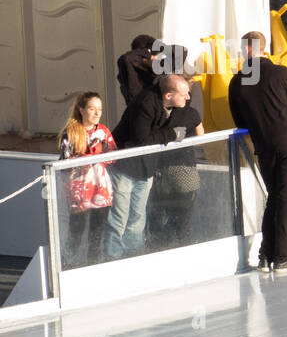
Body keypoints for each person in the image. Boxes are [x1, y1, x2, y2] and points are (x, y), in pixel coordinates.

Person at [228, 30, 287, 274]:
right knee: (285, 200)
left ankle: (265, 255)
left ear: (247, 50)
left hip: (263, 146)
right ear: (262, 48)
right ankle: (281, 257)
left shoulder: (236, 82)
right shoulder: (280, 72)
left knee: (274, 198)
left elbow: (240, 121)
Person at [105, 73, 194, 259]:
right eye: (184, 93)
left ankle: (134, 254)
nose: (188, 97)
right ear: (168, 96)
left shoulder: (176, 106)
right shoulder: (145, 103)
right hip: (125, 166)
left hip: (146, 168)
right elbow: (141, 140)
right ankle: (112, 256)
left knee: (138, 216)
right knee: (120, 216)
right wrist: (171, 134)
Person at [57, 92, 117, 267]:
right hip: (79, 188)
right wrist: (87, 156)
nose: (97, 113)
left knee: (97, 231)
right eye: (92, 108)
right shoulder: (71, 132)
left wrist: (102, 153)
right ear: (82, 110)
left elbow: (114, 154)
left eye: (99, 109)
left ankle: (94, 264)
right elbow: (65, 160)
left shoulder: (103, 131)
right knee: (76, 230)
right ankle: (69, 265)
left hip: (100, 186)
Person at [150, 88, 205, 250]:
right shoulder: (192, 114)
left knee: (162, 215)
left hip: (161, 170)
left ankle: (162, 248)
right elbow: (199, 140)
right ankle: (183, 248)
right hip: (185, 171)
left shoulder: (159, 114)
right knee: (183, 219)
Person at [115, 34, 161, 106]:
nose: (155, 58)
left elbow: (182, 52)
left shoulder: (157, 72)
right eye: (153, 55)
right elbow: (126, 58)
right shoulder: (130, 74)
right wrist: (147, 53)